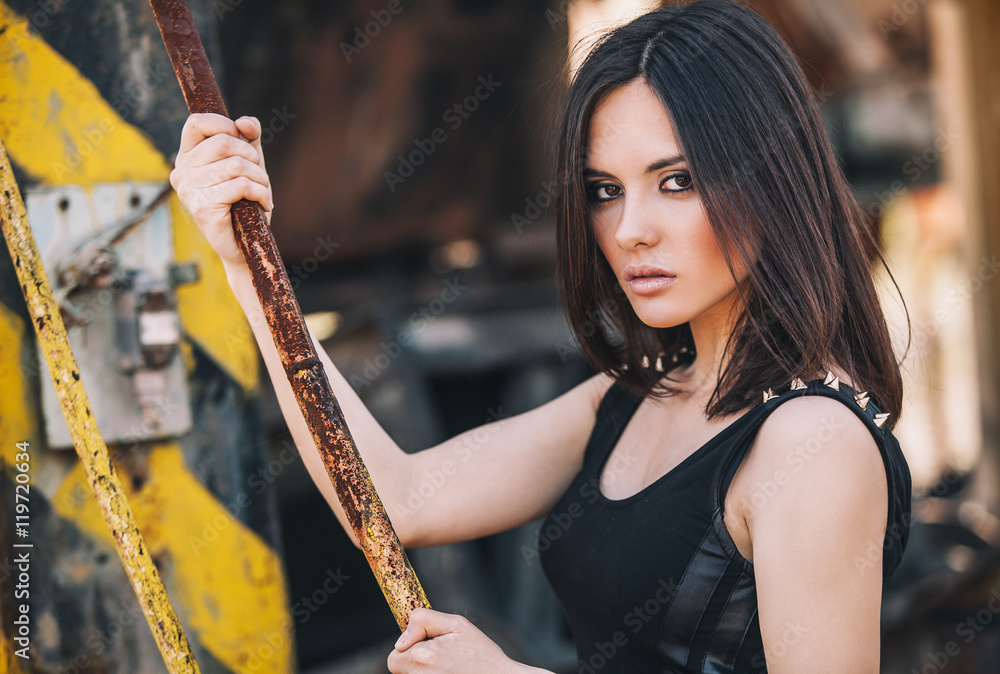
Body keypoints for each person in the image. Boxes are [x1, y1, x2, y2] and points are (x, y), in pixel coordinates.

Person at [170, 0, 913, 671]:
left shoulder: (813, 445)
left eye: (677, 180)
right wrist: (248, 263)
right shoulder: (634, 398)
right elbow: (396, 503)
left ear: (772, 174)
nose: (629, 230)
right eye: (604, 190)